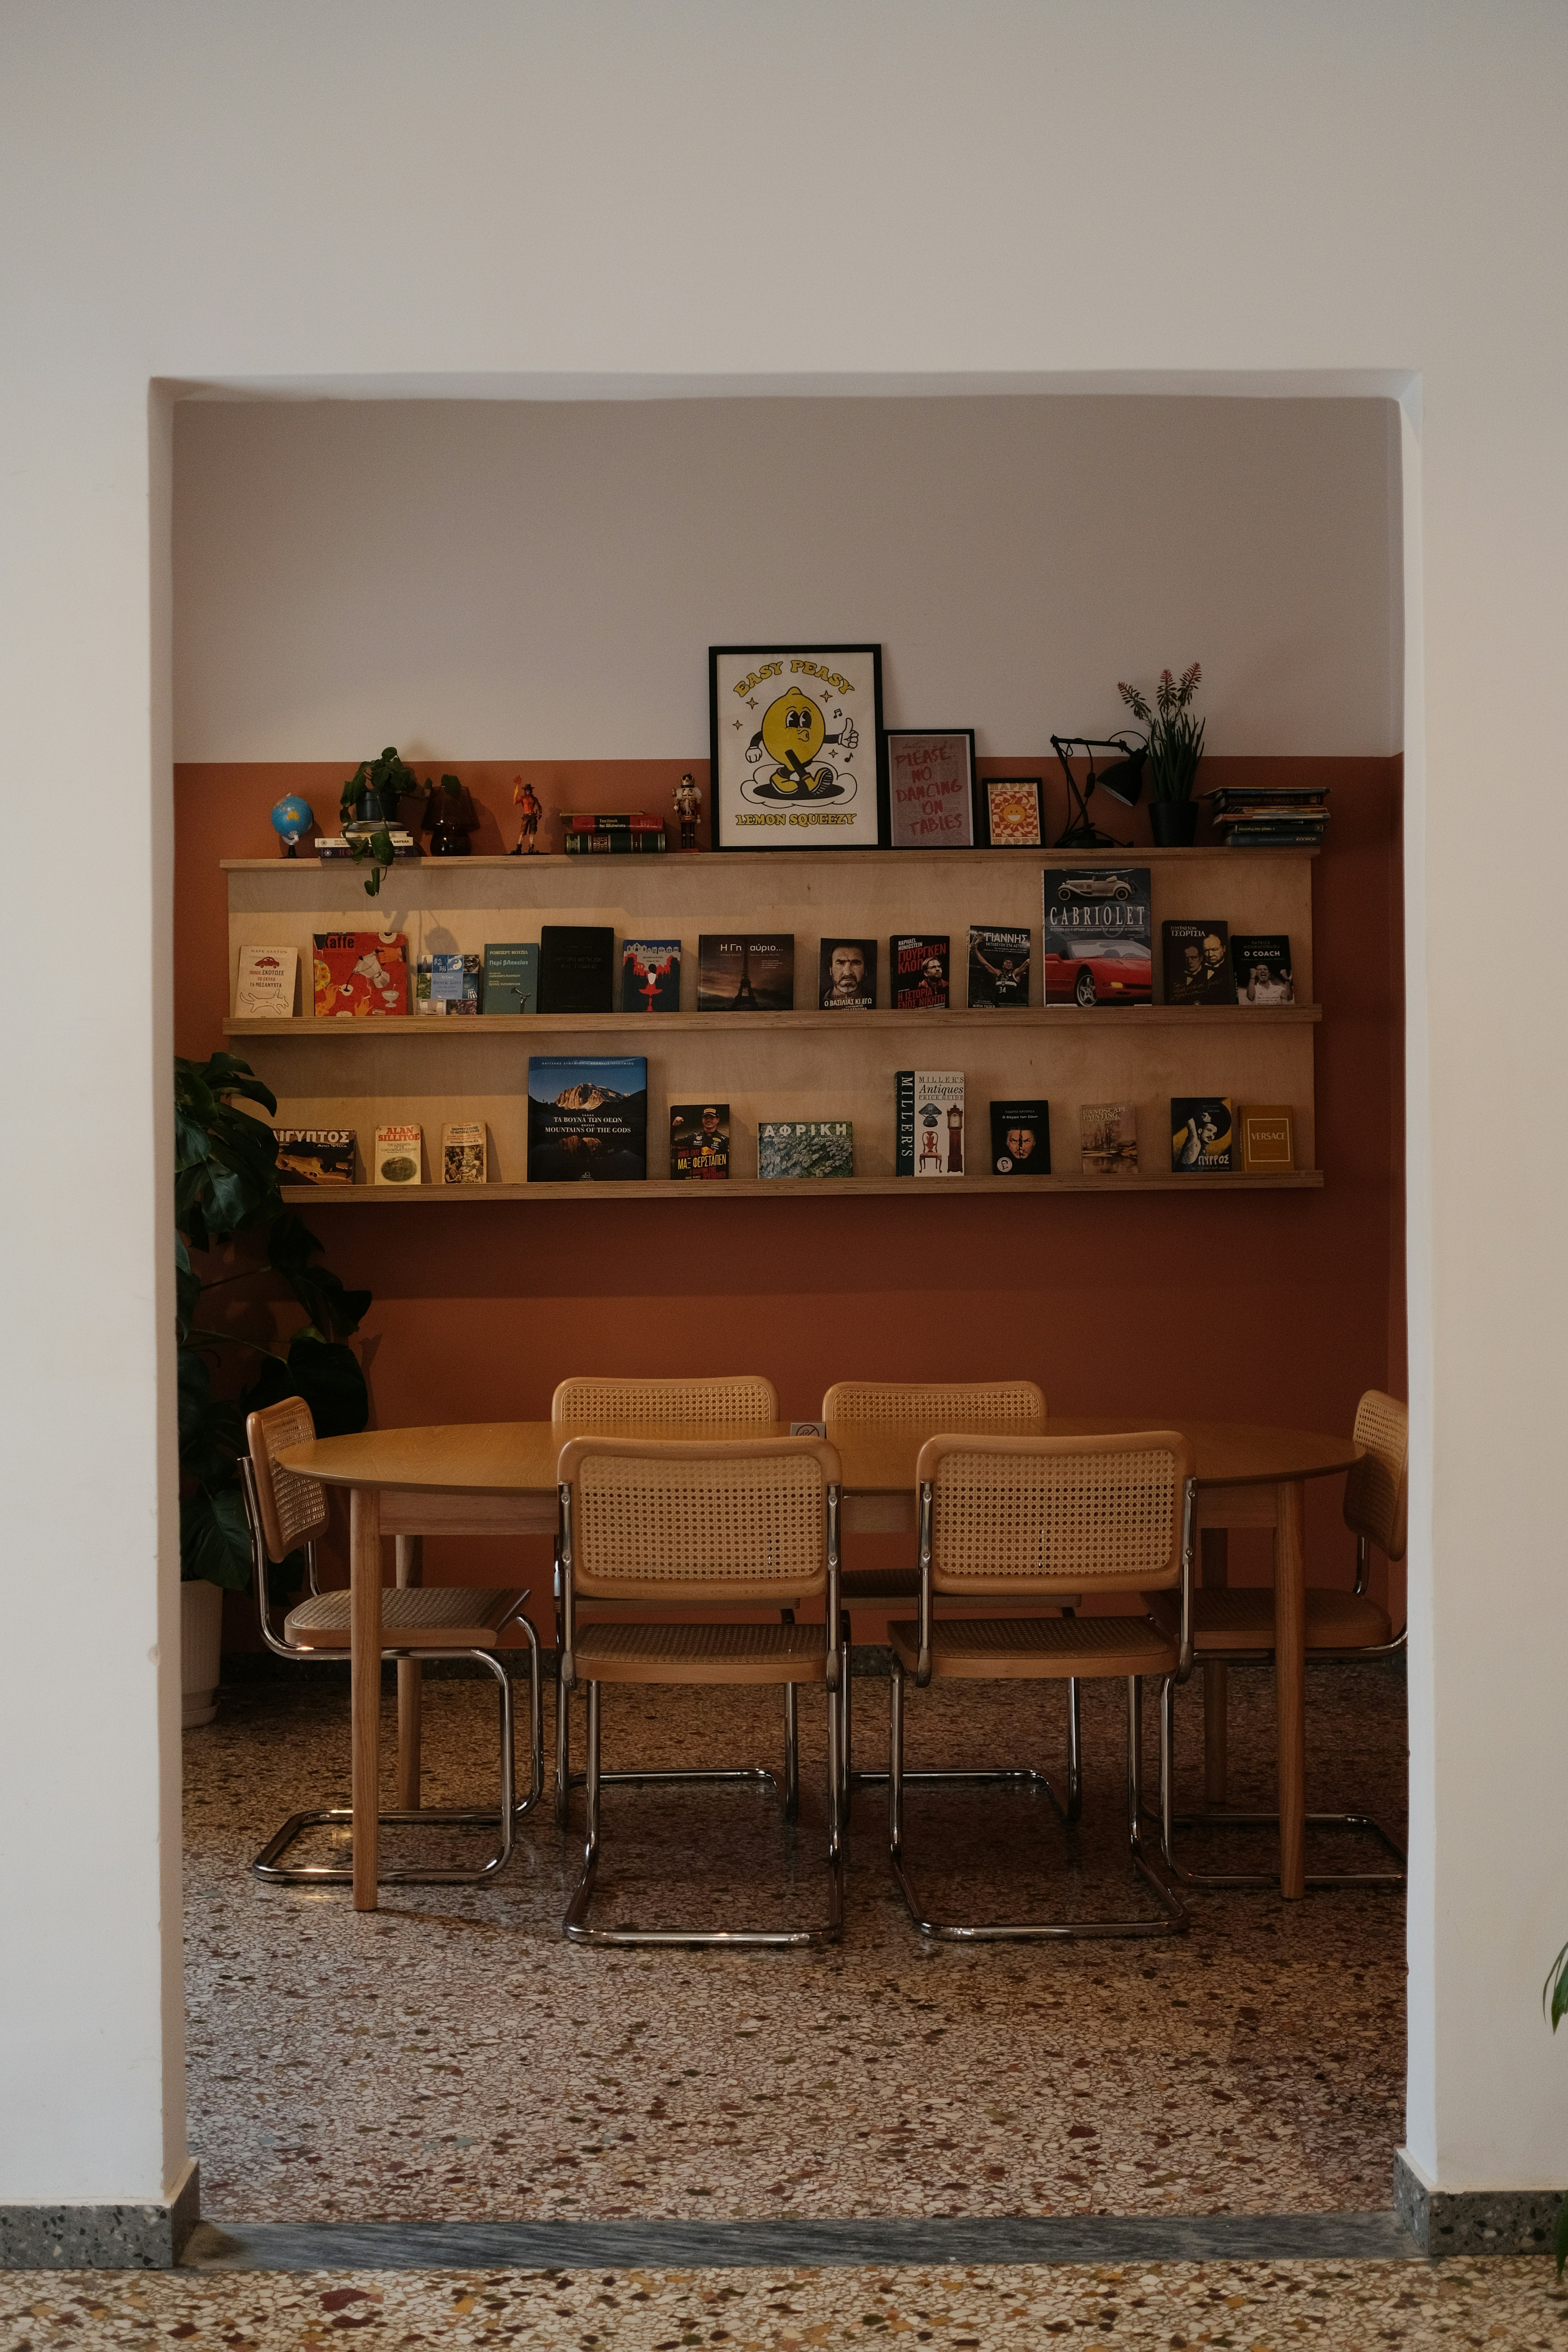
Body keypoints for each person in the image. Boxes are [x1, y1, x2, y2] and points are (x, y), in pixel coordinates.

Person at [821, 941, 870, 1008]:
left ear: (866, 969)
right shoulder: (820, 1000)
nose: (848, 973)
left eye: (855, 963)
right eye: (840, 963)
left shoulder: (875, 998)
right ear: (831, 970)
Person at [511, 777, 542, 855]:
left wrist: (540, 814)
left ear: (531, 791)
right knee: (523, 832)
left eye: (529, 790)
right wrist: (516, 791)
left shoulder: (534, 798)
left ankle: (531, 847)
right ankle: (519, 847)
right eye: (526, 790)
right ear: (525, 791)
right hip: (526, 816)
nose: (528, 792)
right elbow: (515, 802)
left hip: (533, 816)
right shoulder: (523, 798)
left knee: (532, 832)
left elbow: (539, 806)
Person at [674, 771, 703, 851]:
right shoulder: (681, 801)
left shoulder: (695, 800)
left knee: (692, 833)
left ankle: (692, 846)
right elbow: (679, 810)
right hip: (683, 817)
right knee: (683, 833)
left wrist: (699, 818)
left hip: (692, 817)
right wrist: (677, 808)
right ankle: (684, 846)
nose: (687, 793)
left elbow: (698, 809)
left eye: (690, 791)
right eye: (685, 792)